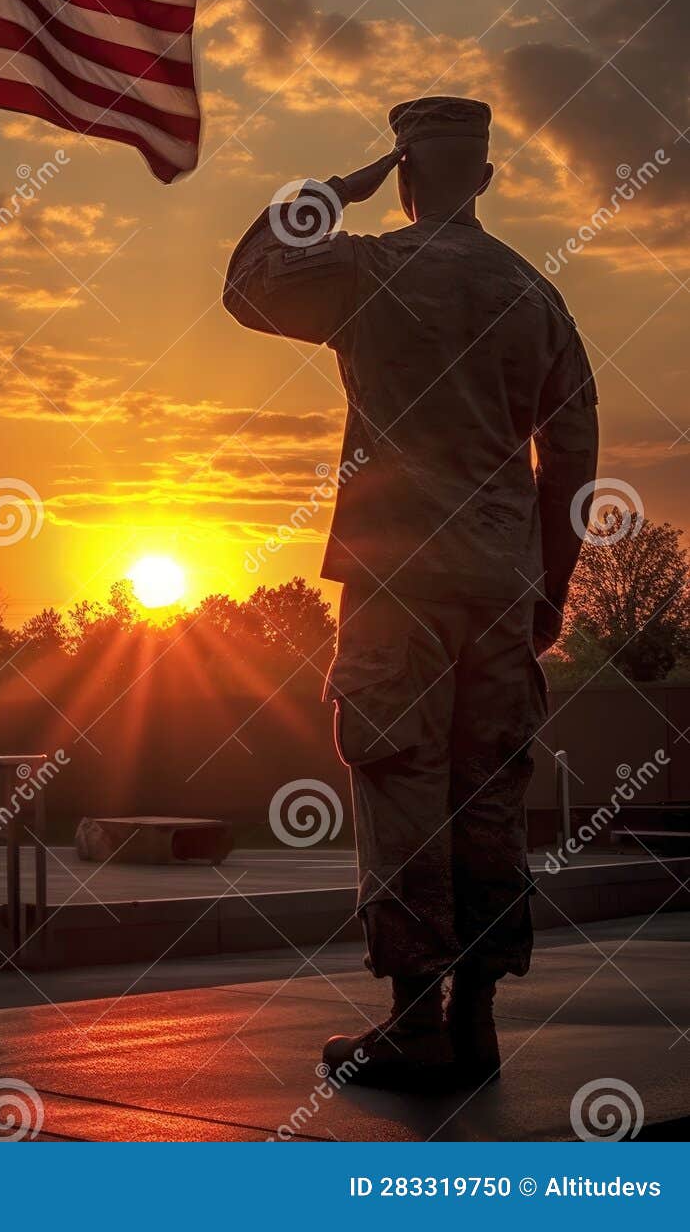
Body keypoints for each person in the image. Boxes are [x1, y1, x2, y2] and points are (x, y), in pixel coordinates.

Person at [223, 96, 598, 1089]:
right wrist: (547, 590)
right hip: (498, 579)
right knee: (488, 801)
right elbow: (571, 461)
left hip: (397, 581)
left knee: (402, 792)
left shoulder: (367, 266)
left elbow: (246, 290)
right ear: (481, 177)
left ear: (401, 173)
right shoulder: (535, 296)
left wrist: (322, 194)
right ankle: (474, 1021)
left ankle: (411, 1021)